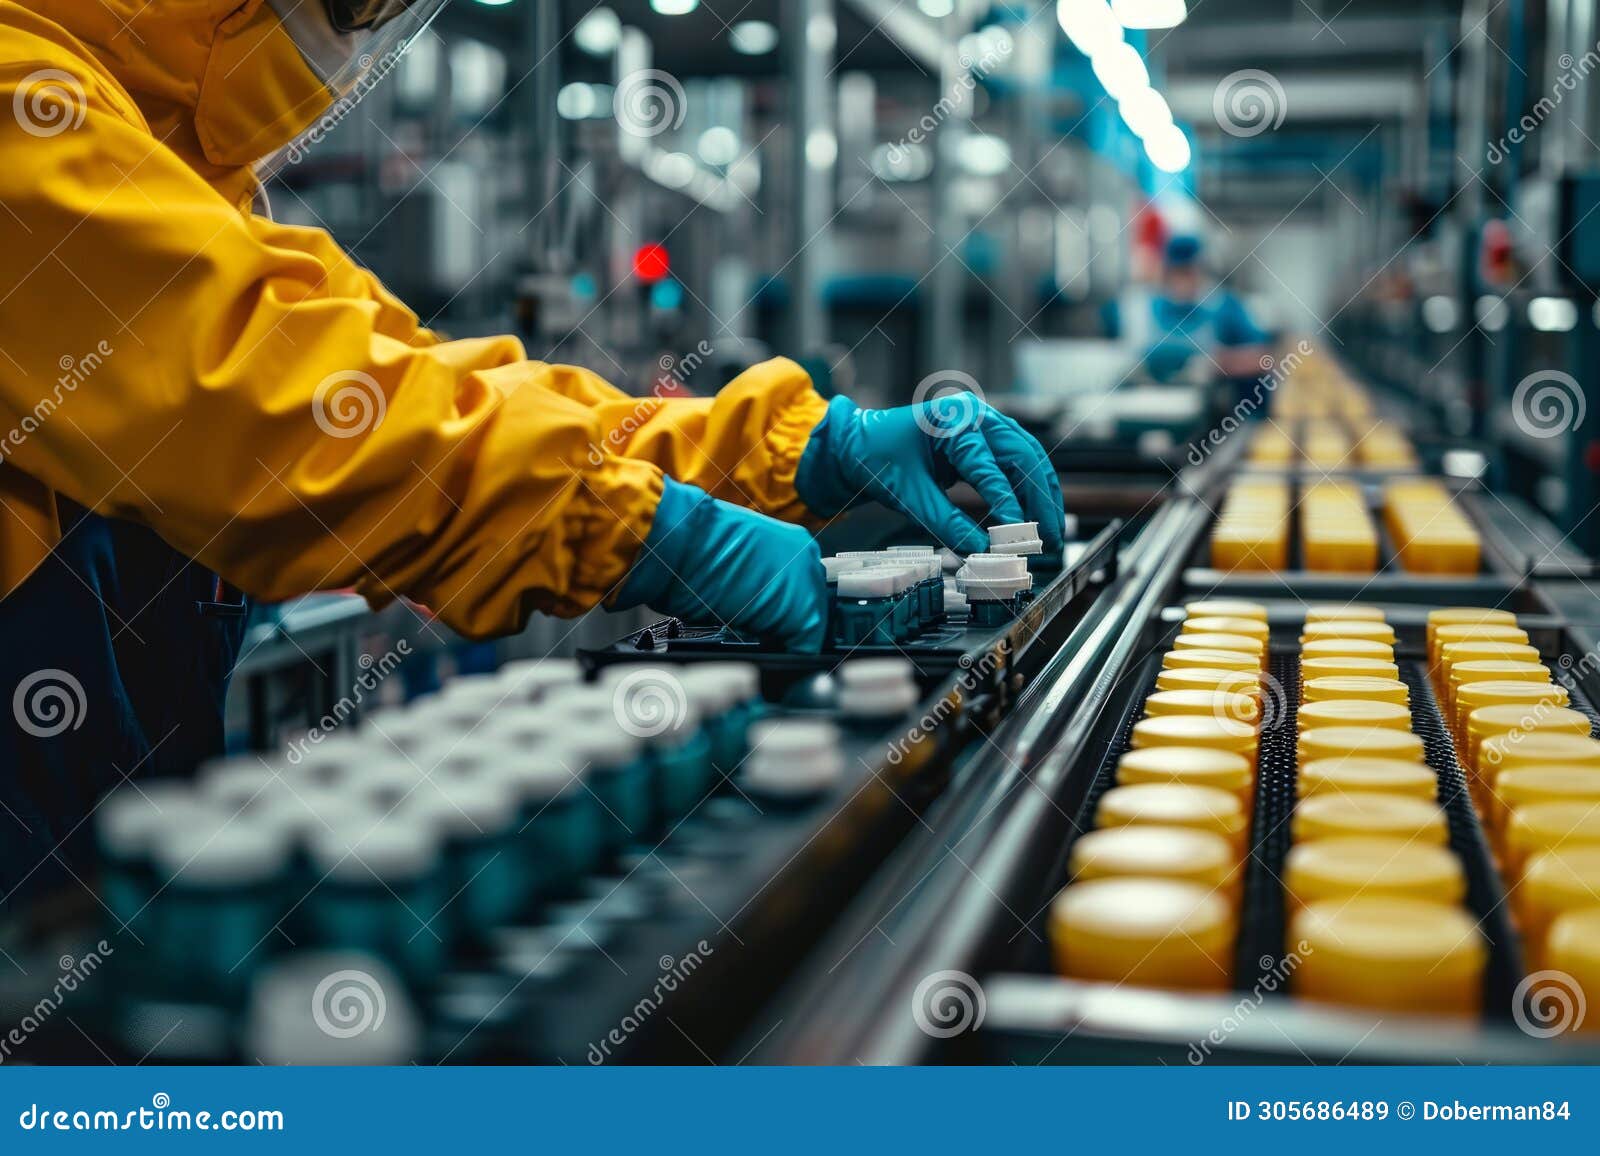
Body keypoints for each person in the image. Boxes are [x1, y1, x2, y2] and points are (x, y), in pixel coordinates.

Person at [0, 0, 1064, 900]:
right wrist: (643, 529)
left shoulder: (185, 171)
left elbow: (423, 390)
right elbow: (267, 400)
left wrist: (791, 451)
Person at [1108, 234, 1272, 384]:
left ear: (1202, 270)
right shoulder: (1144, 309)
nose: (1182, 281)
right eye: (1176, 272)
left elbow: (1264, 358)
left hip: (1211, 402)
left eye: (1188, 272)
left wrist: (1219, 364)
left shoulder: (1223, 306)